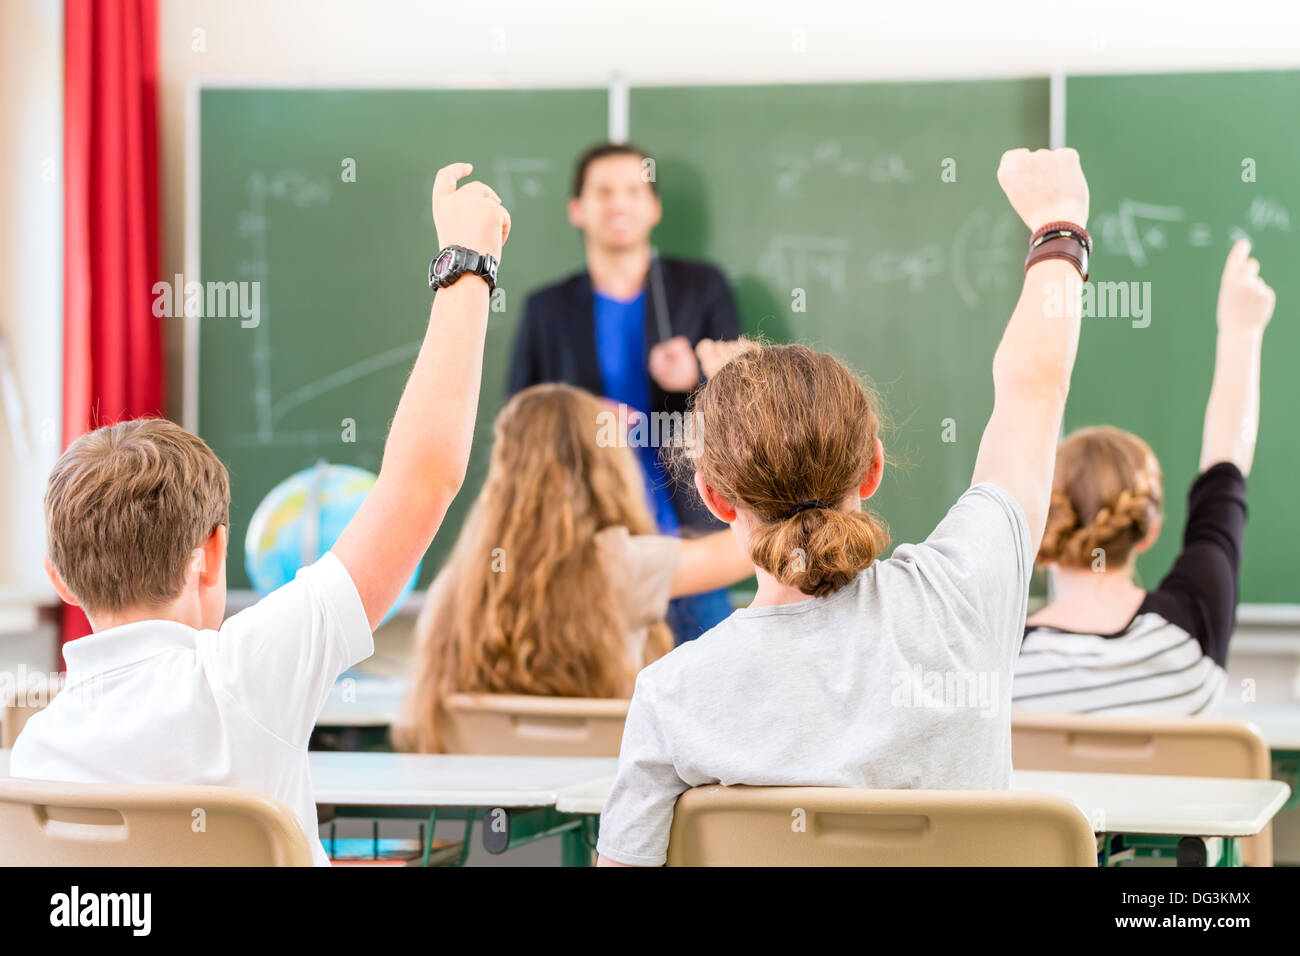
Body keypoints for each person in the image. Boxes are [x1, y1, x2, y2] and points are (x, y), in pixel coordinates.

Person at [595, 147, 1092, 867]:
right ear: (874, 468)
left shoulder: (673, 694)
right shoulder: (963, 600)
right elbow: (1034, 390)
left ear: (711, 496)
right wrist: (1059, 226)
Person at [11, 164, 511, 865]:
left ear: (60, 579)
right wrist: (468, 265)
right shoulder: (245, 675)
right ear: (212, 552)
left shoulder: (31, 761)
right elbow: (422, 481)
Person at [394, 378, 756, 754]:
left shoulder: (461, 580)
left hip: (487, 795)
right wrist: (742, 407)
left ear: (504, 467)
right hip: (601, 797)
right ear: (603, 467)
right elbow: (756, 541)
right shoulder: (624, 564)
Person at [1013, 240, 1275, 715]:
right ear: (1149, 527)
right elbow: (1226, 469)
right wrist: (1241, 331)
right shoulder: (1190, 635)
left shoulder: (999, 669)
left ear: (1040, 524)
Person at [507, 142, 742, 642]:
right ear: (577, 209)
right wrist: (578, 416)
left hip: (688, 527)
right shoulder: (545, 309)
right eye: (603, 192)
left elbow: (744, 404)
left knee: (709, 662)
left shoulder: (702, 288)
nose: (619, 204)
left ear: (654, 207)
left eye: (634, 191)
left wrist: (694, 381)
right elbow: (516, 421)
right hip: (583, 527)